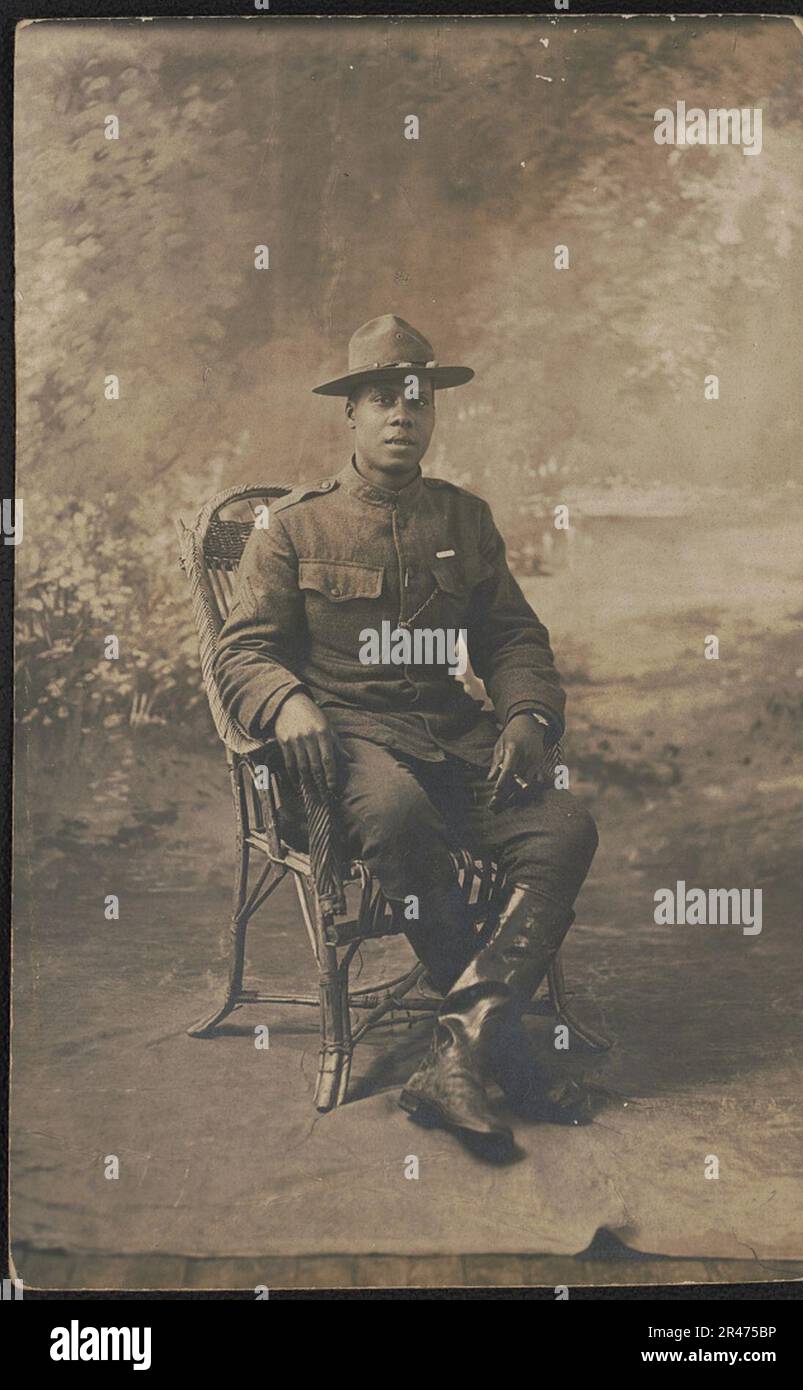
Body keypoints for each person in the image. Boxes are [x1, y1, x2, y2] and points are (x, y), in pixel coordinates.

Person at [214, 315, 598, 1157]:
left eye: (417, 400)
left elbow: (511, 639)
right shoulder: (293, 527)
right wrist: (286, 705)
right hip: (346, 748)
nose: (402, 415)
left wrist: (529, 715)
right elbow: (239, 653)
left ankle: (458, 1054)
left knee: (565, 826)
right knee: (397, 816)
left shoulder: (465, 519)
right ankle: (513, 1056)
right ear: (350, 414)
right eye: (383, 399)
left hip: (452, 741)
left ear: (433, 413)